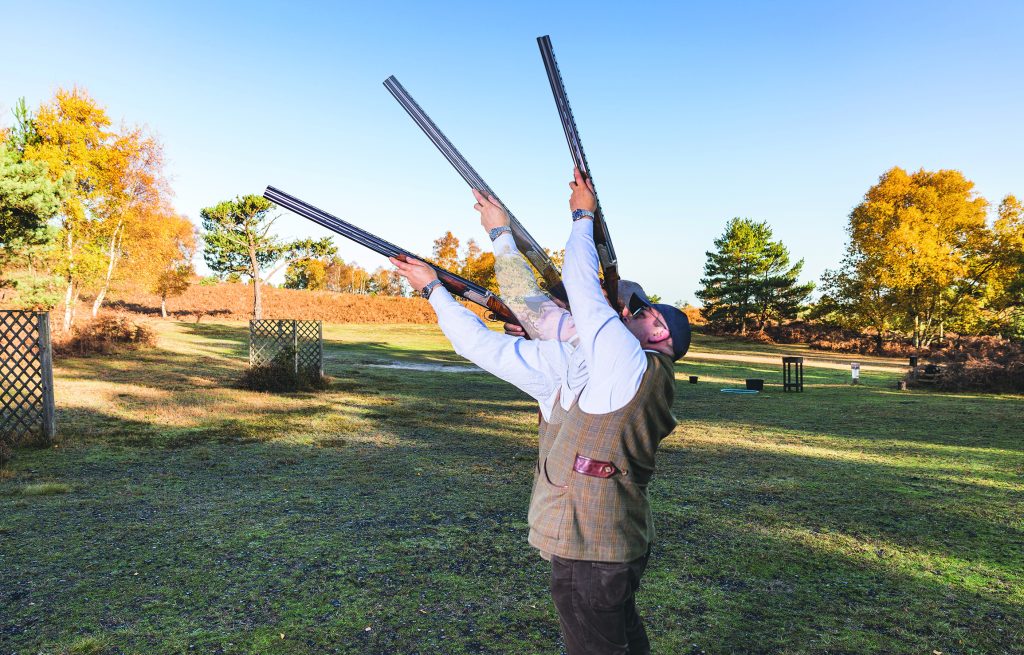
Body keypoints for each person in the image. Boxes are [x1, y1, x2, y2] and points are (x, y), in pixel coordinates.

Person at [390, 167, 691, 654]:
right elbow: (513, 319)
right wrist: (447, 279)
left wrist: (582, 216)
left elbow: (582, 289)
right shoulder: (582, 364)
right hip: (602, 546)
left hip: (593, 552)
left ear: (659, 335)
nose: (624, 313)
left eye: (639, 312)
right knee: (620, 641)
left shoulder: (629, 359)